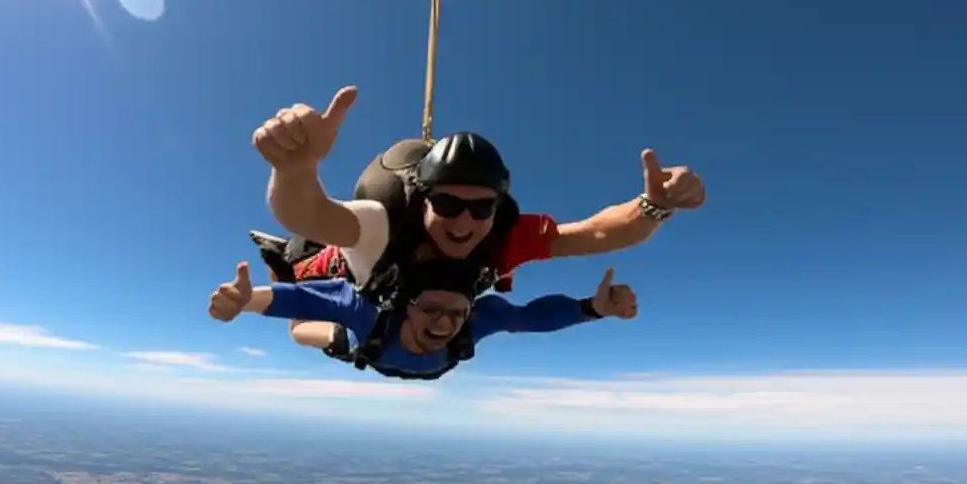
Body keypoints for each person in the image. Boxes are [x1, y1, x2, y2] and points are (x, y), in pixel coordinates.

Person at [250, 85, 708, 301]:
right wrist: (295, 168)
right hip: (356, 282)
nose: (465, 222)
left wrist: (654, 206)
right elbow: (306, 214)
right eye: (447, 204)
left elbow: (595, 234)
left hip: (411, 311)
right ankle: (299, 264)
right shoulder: (382, 222)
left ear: (498, 206)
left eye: (482, 207)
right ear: (424, 198)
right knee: (306, 266)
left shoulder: (503, 237)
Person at [207, 256, 639, 381]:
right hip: (363, 345)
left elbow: (531, 317)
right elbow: (299, 301)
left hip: (388, 356)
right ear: (406, 305)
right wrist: (246, 301)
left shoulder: (477, 320)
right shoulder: (368, 311)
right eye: (432, 310)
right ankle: (299, 260)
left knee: (330, 328)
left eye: (456, 312)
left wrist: (591, 308)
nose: (446, 322)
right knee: (307, 329)